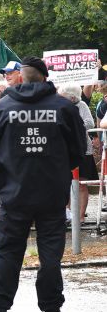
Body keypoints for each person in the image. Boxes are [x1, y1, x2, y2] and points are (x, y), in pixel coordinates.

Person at [0, 57, 86, 312]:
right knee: (50, 255)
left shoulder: (3, 107)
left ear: (21, 78)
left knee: (8, 252)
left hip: (14, 193)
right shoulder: (64, 108)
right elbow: (78, 150)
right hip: (51, 194)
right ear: (45, 78)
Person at [58, 83, 96, 224]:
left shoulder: (82, 106)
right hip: (64, 151)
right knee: (65, 183)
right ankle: (67, 215)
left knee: (81, 183)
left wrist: (73, 125)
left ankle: (80, 216)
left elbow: (90, 123)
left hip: (82, 149)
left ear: (71, 97)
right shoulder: (60, 107)